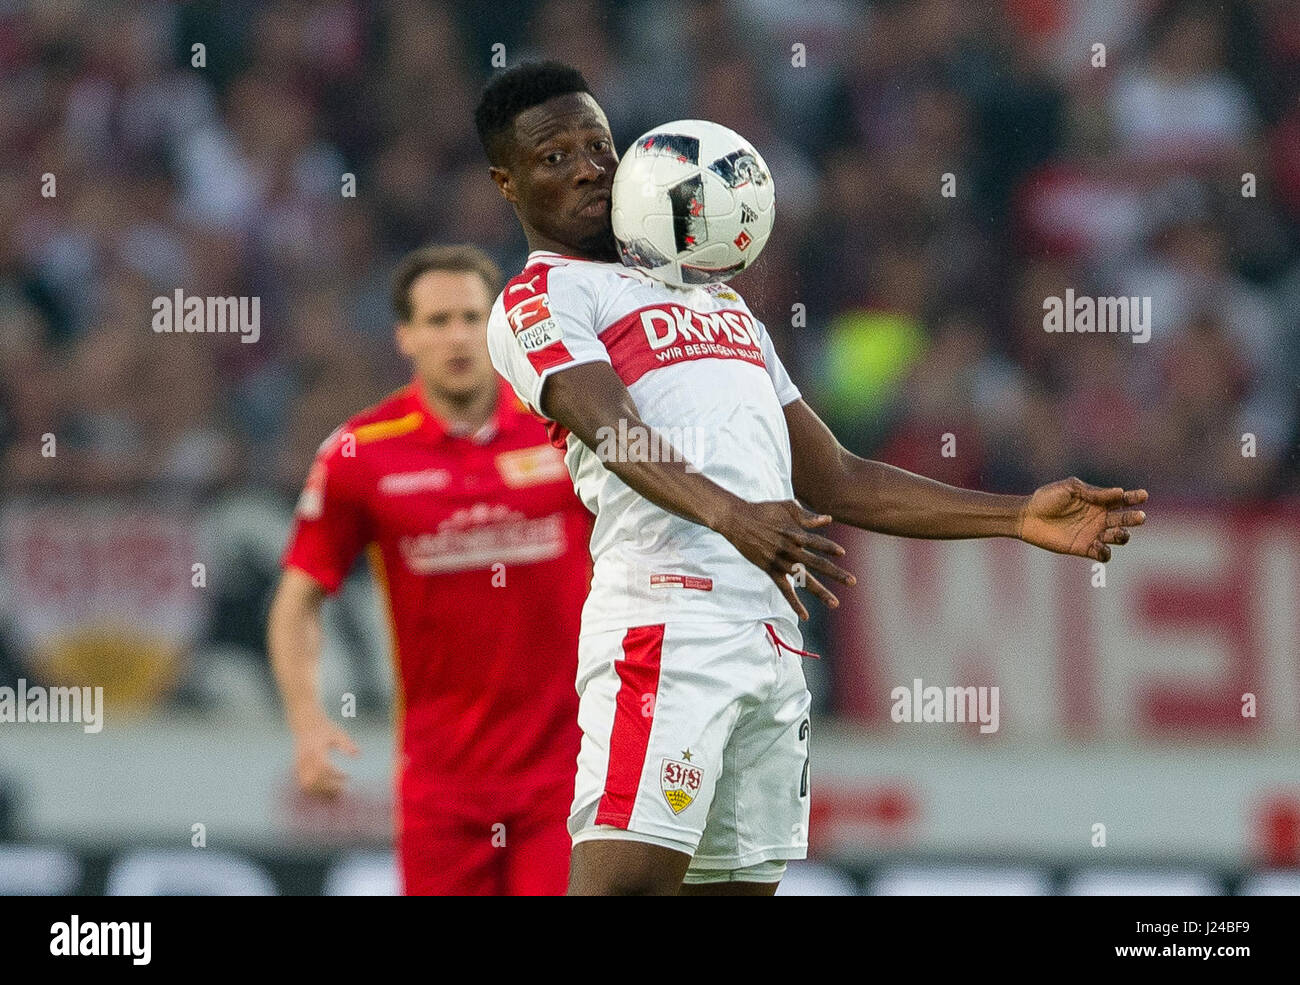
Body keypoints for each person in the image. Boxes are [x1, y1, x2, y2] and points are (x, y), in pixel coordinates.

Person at [474, 62, 1148, 896]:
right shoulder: (540, 297)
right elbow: (614, 430)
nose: (586, 167)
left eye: (598, 146)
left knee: (737, 889)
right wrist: (734, 517)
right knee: (622, 883)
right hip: (666, 620)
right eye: (553, 156)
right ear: (507, 182)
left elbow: (836, 476)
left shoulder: (720, 302)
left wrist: (1016, 516)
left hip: (771, 635)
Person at [268, 244, 593, 895]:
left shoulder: (564, 426)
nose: (458, 336)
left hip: (572, 774)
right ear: (406, 335)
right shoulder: (362, 453)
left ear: (497, 324)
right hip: (440, 788)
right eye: (438, 320)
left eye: (473, 317)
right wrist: (306, 723)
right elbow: (297, 599)